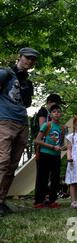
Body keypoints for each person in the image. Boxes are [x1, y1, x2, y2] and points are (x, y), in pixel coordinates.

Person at [0, 47, 39, 216]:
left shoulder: (27, 82)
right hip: (5, 122)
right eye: (27, 58)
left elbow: (28, 103)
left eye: (33, 60)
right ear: (19, 57)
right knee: (2, 160)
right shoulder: (5, 74)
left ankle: (1, 201)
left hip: (22, 124)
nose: (29, 61)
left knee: (12, 165)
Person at [33, 104, 67, 208]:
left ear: (61, 114)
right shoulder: (46, 125)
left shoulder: (62, 128)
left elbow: (63, 144)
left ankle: (52, 201)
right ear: (51, 115)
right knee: (42, 178)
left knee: (55, 179)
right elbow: (37, 140)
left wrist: (64, 147)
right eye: (54, 112)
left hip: (56, 156)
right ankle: (38, 201)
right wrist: (51, 146)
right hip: (45, 154)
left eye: (58, 111)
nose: (57, 113)